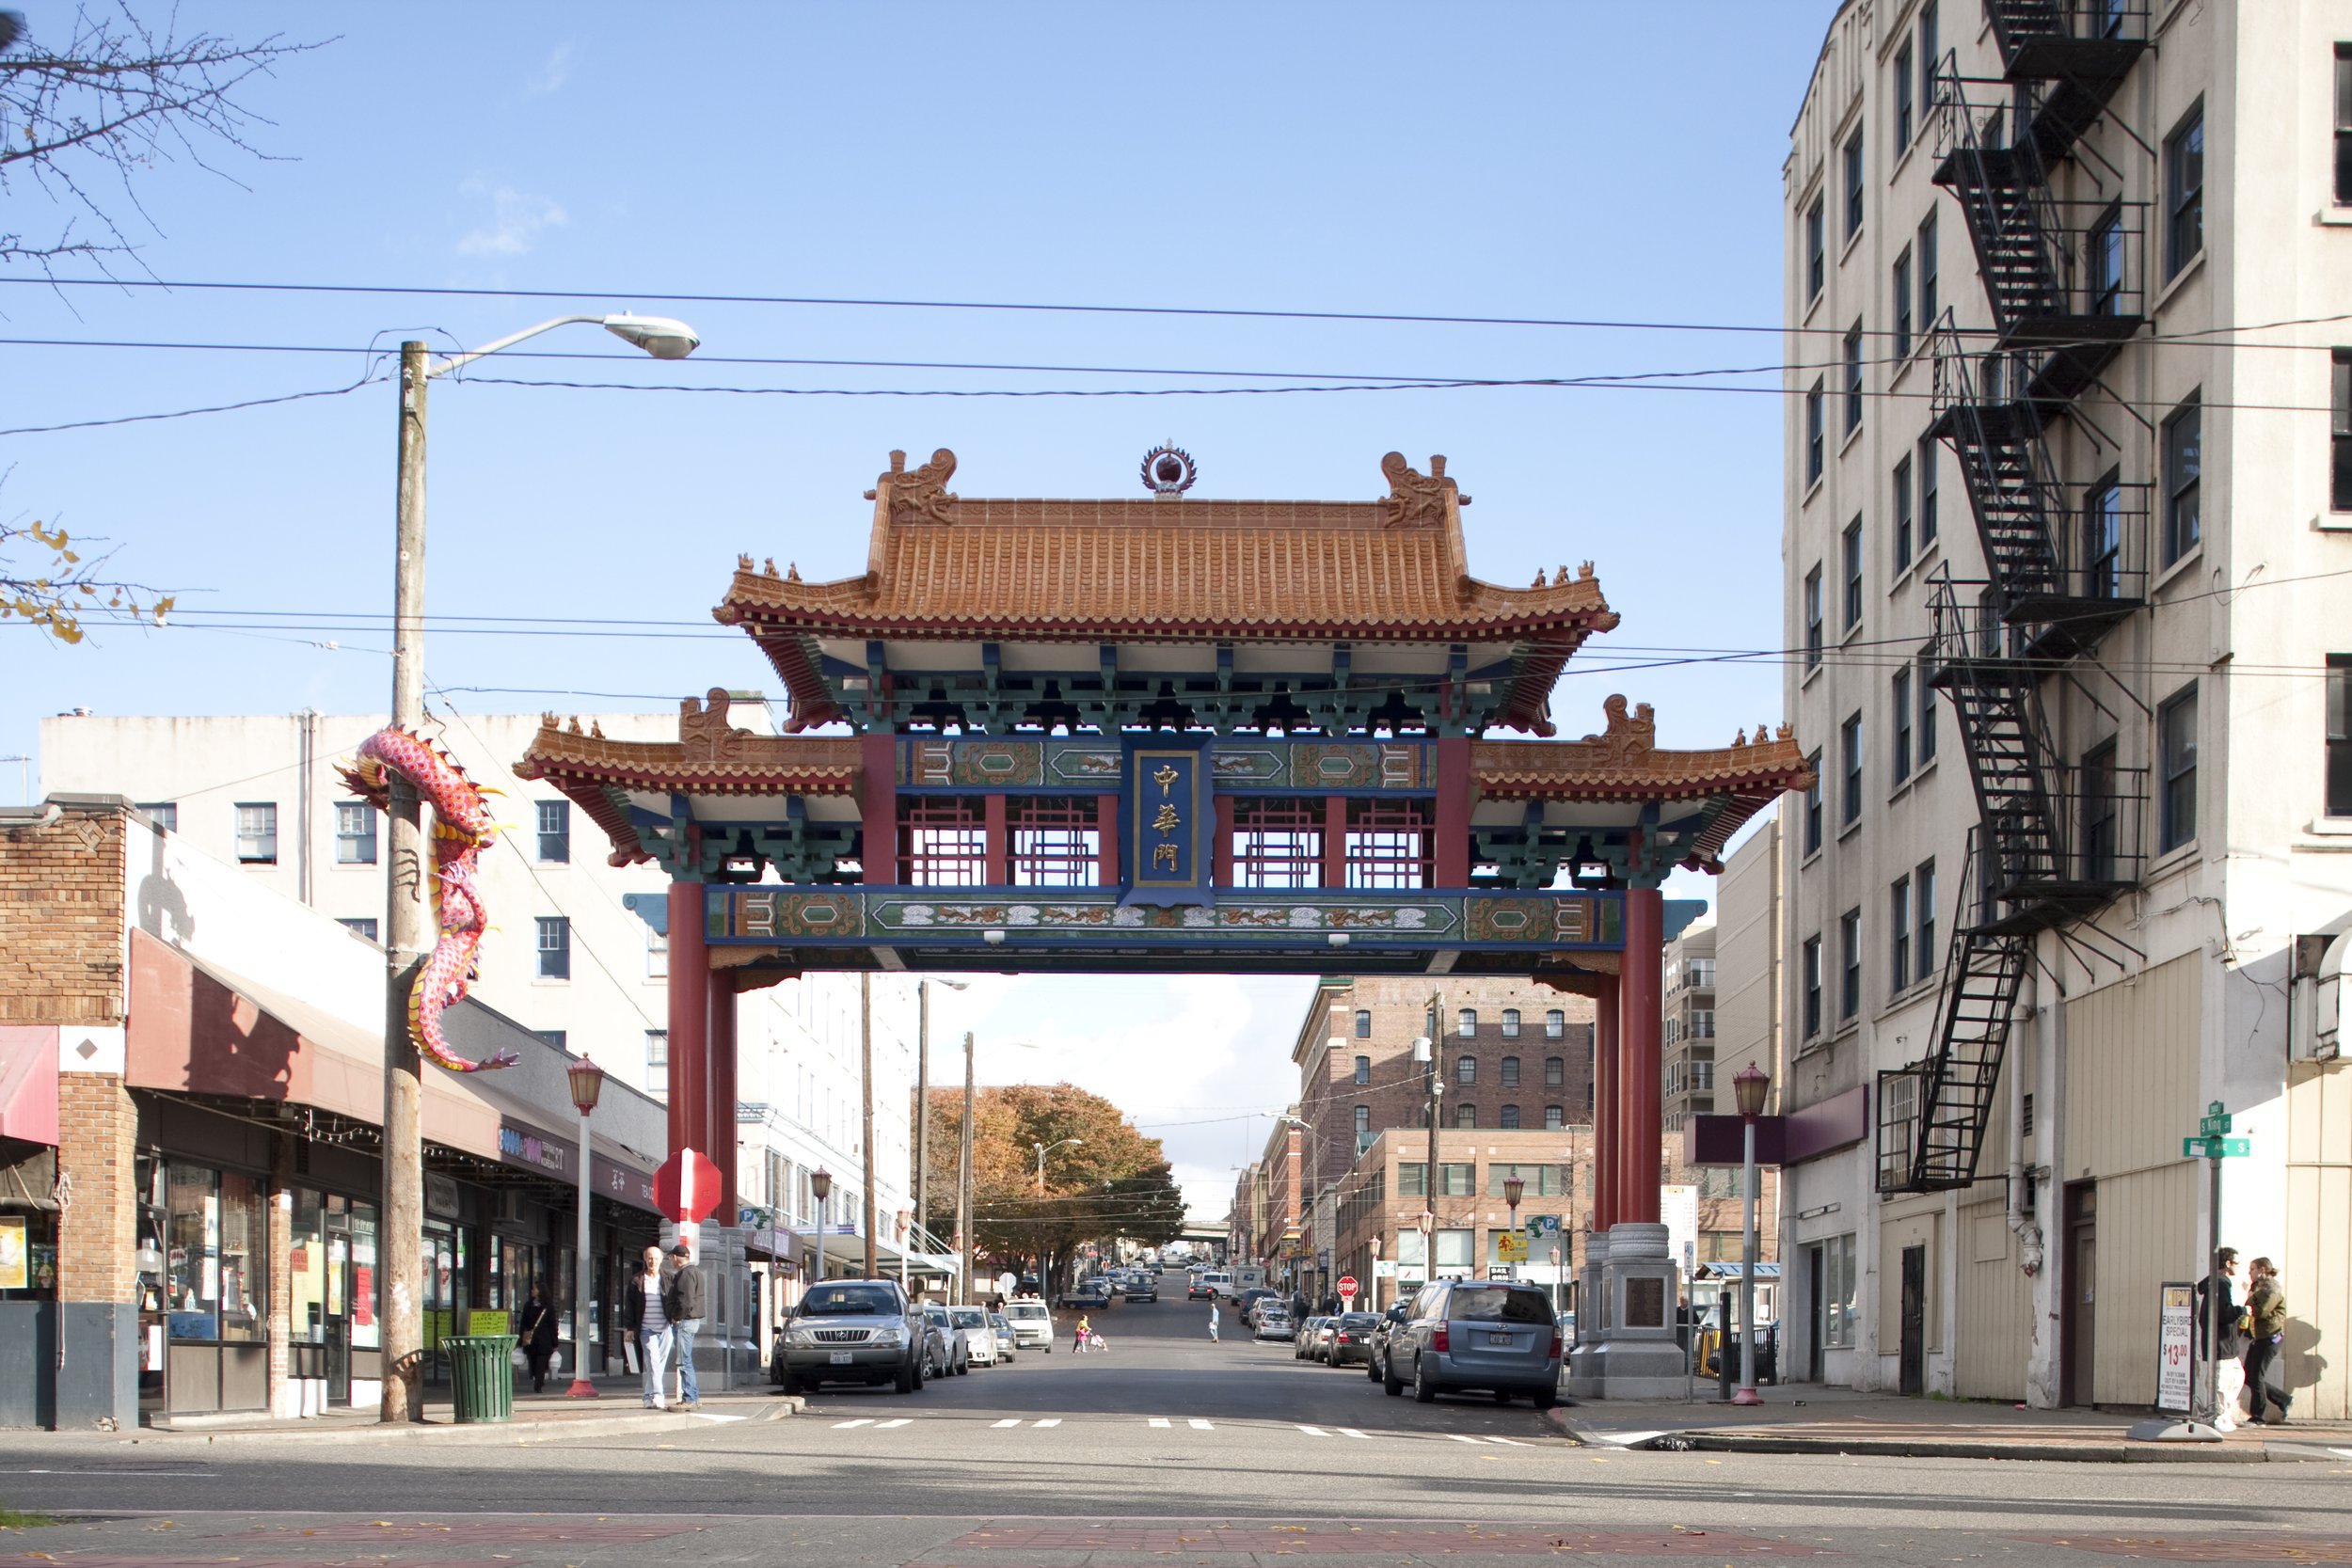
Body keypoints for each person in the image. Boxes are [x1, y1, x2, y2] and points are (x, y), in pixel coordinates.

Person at [2194, 1248, 2247, 1427]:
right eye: (2237, 1263)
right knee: (2222, 1381)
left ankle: (2220, 1413)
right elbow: (2223, 1313)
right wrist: (2242, 1310)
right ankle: (2219, 1416)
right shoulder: (2222, 1283)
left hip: (2220, 1342)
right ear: (2228, 1263)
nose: (2239, 1267)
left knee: (2236, 1375)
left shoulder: (2215, 1283)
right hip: (2221, 1342)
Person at [2243, 1256, 2292, 1425]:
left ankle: (2258, 1416)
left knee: (2256, 1377)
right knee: (2248, 1376)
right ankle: (2283, 1399)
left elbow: (2260, 1311)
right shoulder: (2259, 1288)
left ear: (2262, 1269)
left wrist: (2251, 1297)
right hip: (2259, 1337)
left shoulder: (2271, 1289)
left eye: (2252, 1269)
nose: (2249, 1273)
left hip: (2270, 1337)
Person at [624, 1244, 672, 1410]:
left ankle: (647, 1396)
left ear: (661, 1260)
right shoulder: (637, 1280)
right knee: (653, 1361)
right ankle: (658, 1395)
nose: (653, 1261)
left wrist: (676, 1318)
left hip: (665, 1328)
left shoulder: (668, 1279)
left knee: (658, 1365)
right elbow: (629, 1305)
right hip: (646, 1329)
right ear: (645, 1259)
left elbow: (674, 1301)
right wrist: (630, 1328)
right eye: (650, 1258)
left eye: (656, 1258)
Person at [665, 1240, 707, 1410]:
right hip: (692, 1320)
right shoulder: (696, 1272)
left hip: (685, 1321)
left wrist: (676, 1317)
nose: (670, 1261)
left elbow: (686, 1300)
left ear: (675, 1257)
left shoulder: (685, 1274)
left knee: (683, 1361)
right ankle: (693, 1397)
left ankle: (689, 1397)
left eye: (670, 1258)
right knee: (686, 1360)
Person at [517, 1283, 559, 1395]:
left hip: (544, 1340)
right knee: (533, 1362)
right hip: (531, 1339)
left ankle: (539, 1384)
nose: (532, 1291)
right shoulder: (528, 1305)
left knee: (541, 1363)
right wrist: (520, 1340)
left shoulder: (548, 1307)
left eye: (534, 1289)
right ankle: (536, 1378)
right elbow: (523, 1323)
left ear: (540, 1291)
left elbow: (552, 1325)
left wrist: (555, 1342)